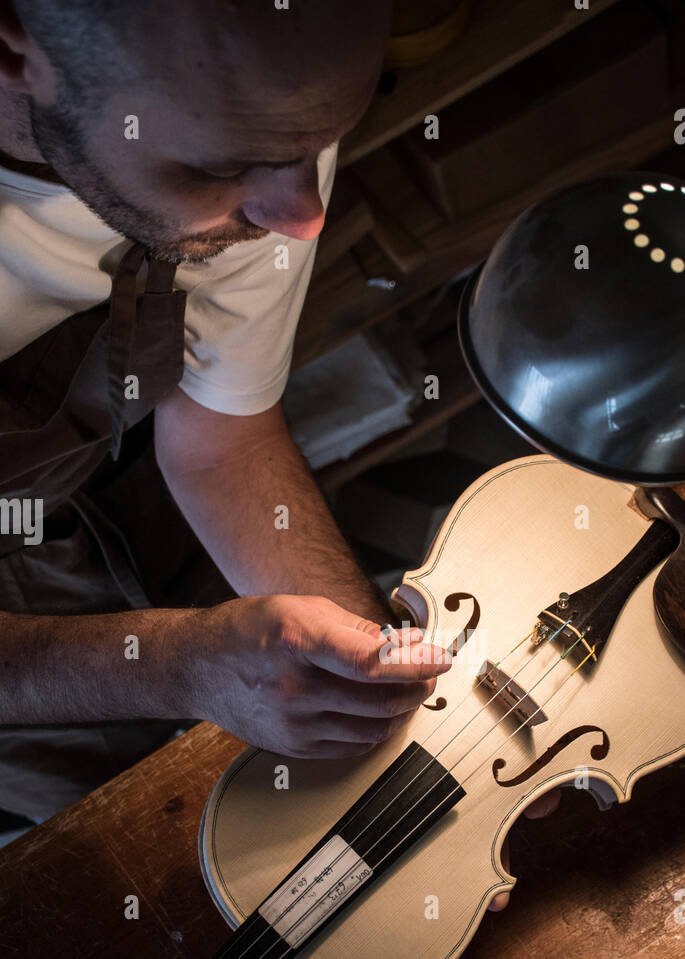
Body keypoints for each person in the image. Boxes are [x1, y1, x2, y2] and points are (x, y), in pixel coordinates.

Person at [0, 0, 557, 901]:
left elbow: (221, 434)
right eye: (225, 164)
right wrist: (177, 666)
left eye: (326, 135)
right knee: (137, 875)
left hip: (85, 494)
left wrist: (391, 712)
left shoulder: (263, 108)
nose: (301, 215)